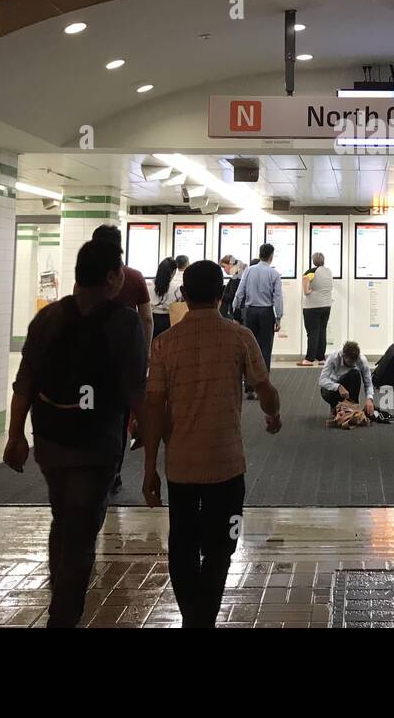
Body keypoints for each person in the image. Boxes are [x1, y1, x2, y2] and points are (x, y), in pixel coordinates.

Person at [3, 239, 147, 628]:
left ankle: (61, 601)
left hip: (50, 436)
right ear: (113, 277)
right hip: (97, 442)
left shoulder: (46, 318)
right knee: (81, 529)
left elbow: (24, 384)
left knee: (62, 518)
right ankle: (63, 614)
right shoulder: (125, 322)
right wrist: (148, 437)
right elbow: (136, 388)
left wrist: (15, 436)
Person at [141, 260, 282, 628]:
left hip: (181, 466)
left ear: (184, 296)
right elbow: (264, 388)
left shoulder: (164, 343)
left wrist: (149, 469)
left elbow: (153, 408)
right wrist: (273, 415)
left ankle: (194, 618)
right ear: (222, 295)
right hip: (227, 464)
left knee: (182, 545)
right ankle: (202, 619)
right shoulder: (240, 337)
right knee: (223, 544)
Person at [90, 224, 153, 491]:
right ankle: (113, 472)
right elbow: (147, 318)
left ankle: (92, 467)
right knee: (120, 415)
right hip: (126, 358)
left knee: (92, 412)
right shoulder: (134, 277)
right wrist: (146, 351)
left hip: (92, 359)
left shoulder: (86, 277)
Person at [235, 243, 283, 399]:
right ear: (271, 256)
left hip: (250, 312)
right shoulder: (273, 273)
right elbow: (277, 297)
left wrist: (236, 308)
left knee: (249, 348)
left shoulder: (249, 270)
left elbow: (240, 291)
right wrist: (278, 316)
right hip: (266, 312)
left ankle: (249, 386)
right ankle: (262, 386)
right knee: (265, 349)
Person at [318, 340, 376, 418]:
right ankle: (335, 406)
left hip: (350, 390)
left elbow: (368, 383)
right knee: (326, 391)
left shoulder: (361, 360)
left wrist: (369, 399)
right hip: (332, 389)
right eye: (349, 362)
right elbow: (322, 380)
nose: (352, 364)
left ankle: (353, 406)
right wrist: (338, 387)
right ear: (343, 356)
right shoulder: (333, 357)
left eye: (354, 362)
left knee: (355, 373)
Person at [301, 251, 334, 367]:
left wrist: (306, 291)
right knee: (322, 331)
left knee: (312, 332)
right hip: (326, 305)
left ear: (313, 261)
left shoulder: (312, 271)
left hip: (312, 306)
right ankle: (321, 358)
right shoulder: (328, 271)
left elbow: (305, 278)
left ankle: (309, 359)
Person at [218, 256, 242, 321]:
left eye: (224, 266)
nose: (224, 270)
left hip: (230, 312)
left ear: (230, 264)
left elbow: (231, 296)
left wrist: (219, 294)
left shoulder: (236, 278)